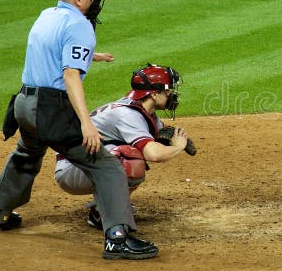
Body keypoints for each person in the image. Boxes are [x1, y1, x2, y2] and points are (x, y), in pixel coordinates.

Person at [0, 0, 159, 260]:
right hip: (52, 109)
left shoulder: (47, 15)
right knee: (106, 166)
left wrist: (92, 54)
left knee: (27, 152)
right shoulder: (80, 26)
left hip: (24, 104)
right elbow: (70, 75)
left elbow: (50, 52)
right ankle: (117, 237)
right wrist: (86, 124)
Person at [55, 63, 192, 230]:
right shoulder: (129, 115)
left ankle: (105, 206)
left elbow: (157, 135)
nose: (172, 94)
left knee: (132, 153)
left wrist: (168, 138)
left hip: (87, 163)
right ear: (155, 94)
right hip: (71, 169)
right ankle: (103, 213)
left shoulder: (142, 111)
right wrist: (177, 147)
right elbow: (154, 154)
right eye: (168, 90)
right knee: (131, 159)